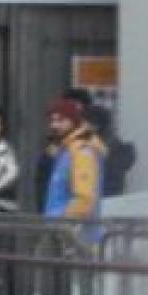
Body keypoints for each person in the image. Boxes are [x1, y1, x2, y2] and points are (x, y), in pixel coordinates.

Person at [42, 96, 106, 225]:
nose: (54, 125)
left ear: (74, 121)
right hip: (64, 230)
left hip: (74, 233)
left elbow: (84, 199)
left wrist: (63, 225)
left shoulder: (81, 152)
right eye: (52, 120)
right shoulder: (67, 150)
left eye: (61, 120)